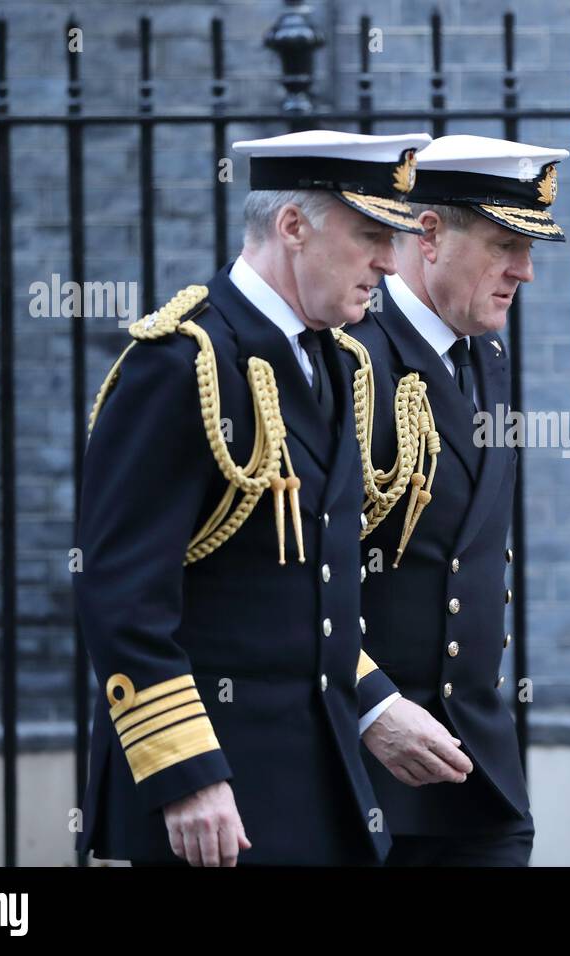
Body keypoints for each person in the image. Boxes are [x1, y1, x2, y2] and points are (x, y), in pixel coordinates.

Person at [73, 129, 431, 866]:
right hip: (216, 804)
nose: (389, 263)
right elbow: (122, 595)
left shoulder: (335, 362)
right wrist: (186, 776)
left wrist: (375, 704)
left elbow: (306, 596)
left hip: (321, 784)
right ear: (291, 227)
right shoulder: (182, 363)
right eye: (370, 235)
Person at [346, 134, 569, 866]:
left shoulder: (484, 351)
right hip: (367, 767)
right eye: (506, 243)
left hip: (473, 762)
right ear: (430, 234)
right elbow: (287, 574)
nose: (525, 271)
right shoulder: (355, 357)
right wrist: (371, 703)